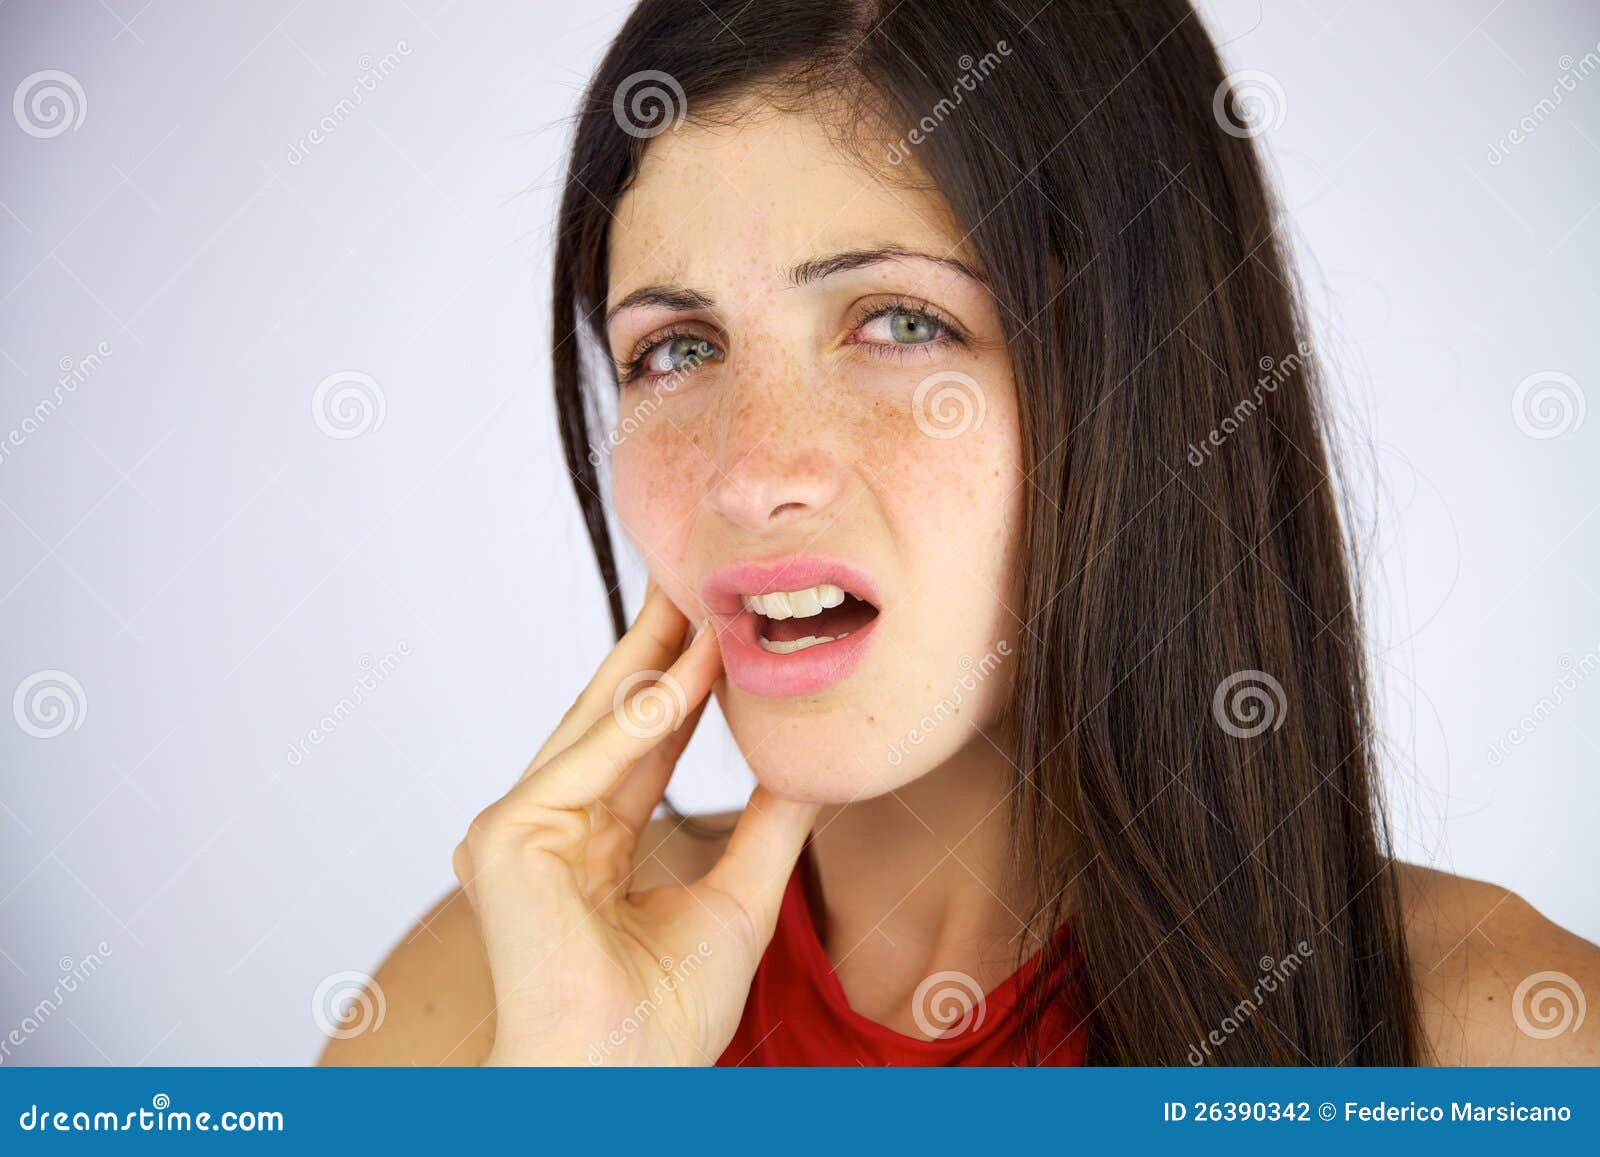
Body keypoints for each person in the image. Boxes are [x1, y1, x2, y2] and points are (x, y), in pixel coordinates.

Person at [322, 0, 1600, 1066]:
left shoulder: (1506, 1031)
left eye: (900, 323)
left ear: (1145, 384)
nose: (749, 476)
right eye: (679, 348)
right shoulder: (484, 995)